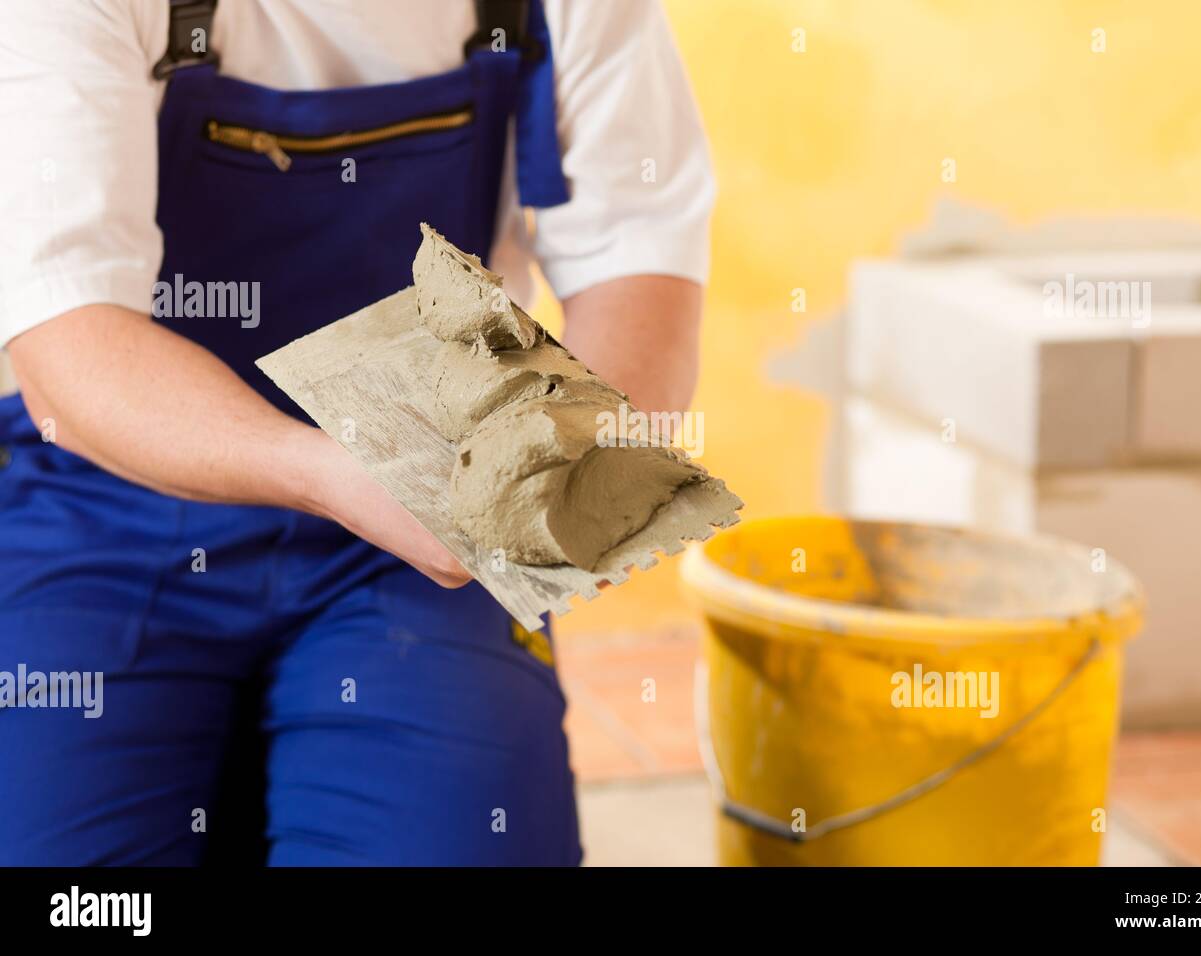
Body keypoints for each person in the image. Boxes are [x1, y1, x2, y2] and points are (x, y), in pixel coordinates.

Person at [0, 0, 713, 865]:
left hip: (426, 522)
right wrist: (321, 468)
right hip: (107, 499)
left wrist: (566, 474)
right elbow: (69, 339)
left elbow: (638, 263)